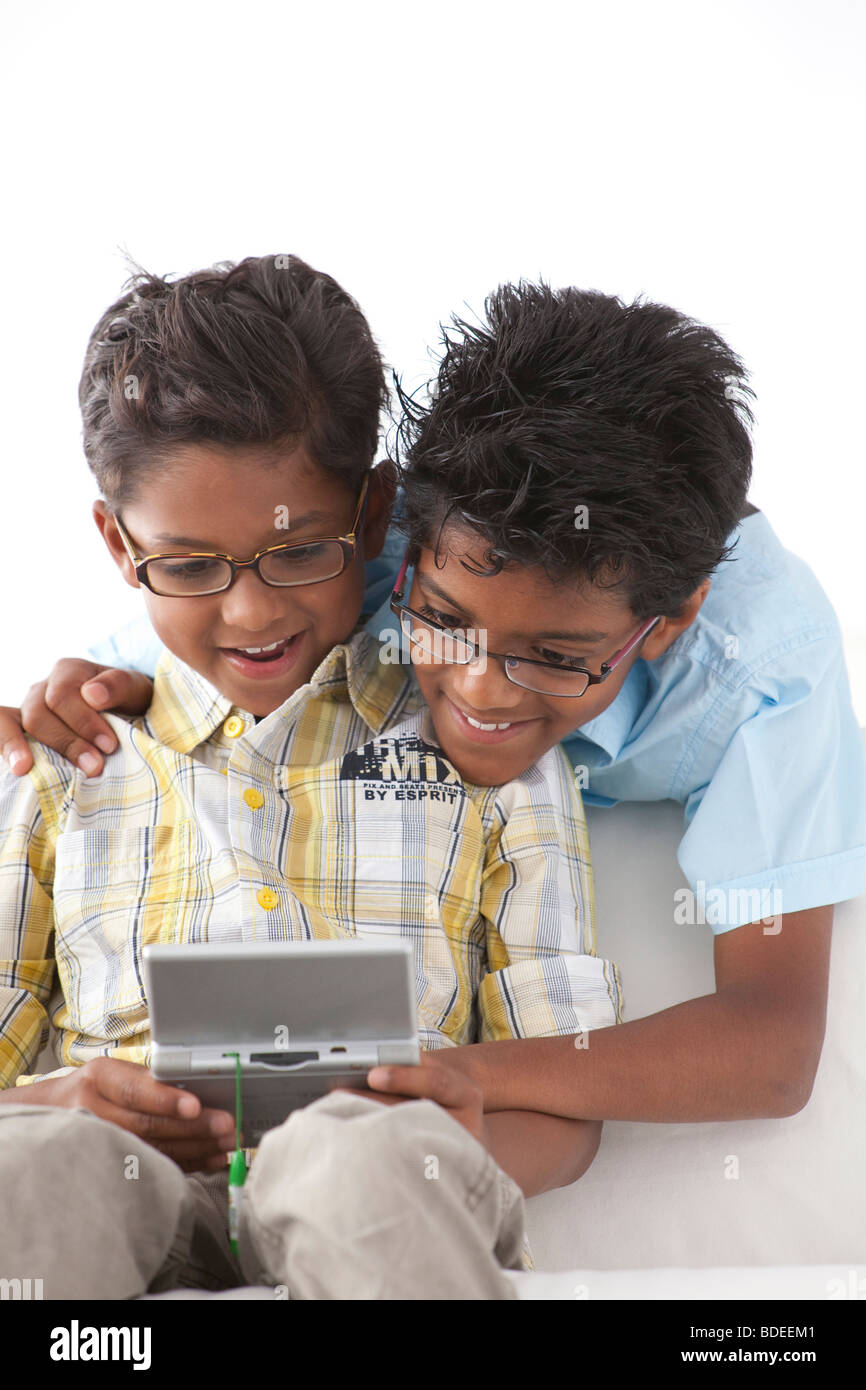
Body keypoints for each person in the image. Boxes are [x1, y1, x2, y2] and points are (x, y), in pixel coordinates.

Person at [10, 280, 865, 1129]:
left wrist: (430, 1084)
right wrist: (73, 694)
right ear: (403, 540)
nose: (480, 692)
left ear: (668, 622)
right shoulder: (357, 546)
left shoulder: (763, 671)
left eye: (559, 656)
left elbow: (773, 1047)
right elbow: (202, 611)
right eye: (446, 623)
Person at [0, 254, 622, 1301]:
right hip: (122, 1177)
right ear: (118, 542)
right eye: (189, 566)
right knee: (34, 1174)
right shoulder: (69, 762)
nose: (249, 614)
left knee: (353, 1162)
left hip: (384, 1174)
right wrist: (63, 1100)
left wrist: (443, 1127)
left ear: (375, 514)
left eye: (297, 555)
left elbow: (566, 1102)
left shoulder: (486, 746)